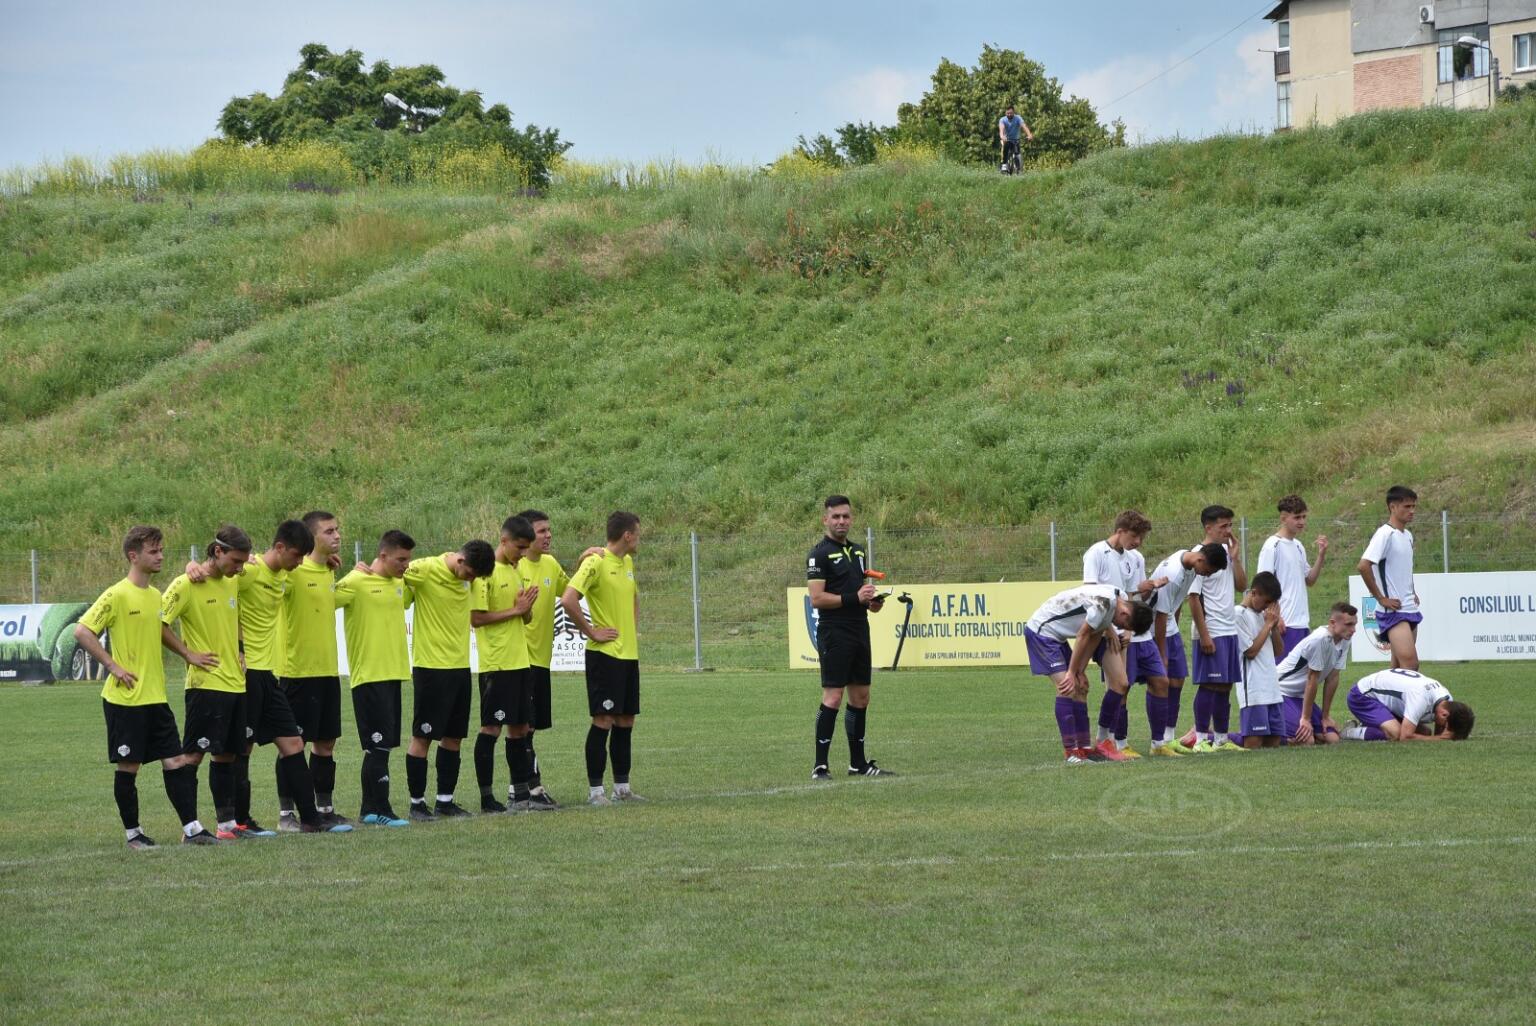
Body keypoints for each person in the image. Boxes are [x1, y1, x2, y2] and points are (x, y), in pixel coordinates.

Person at [74, 526, 217, 847]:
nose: (161, 556)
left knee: (176, 761)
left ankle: (193, 830)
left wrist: (187, 653)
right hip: (125, 700)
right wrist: (112, 666)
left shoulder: (155, 596)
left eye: (161, 550)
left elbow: (161, 630)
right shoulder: (116, 594)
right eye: (154, 551)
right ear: (133, 556)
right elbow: (82, 632)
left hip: (155, 697)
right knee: (130, 765)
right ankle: (133, 834)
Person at [225, 519, 349, 833]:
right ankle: (239, 821)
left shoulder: (283, 574)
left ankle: (310, 819)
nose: (298, 564)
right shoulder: (250, 572)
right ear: (279, 548)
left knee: (293, 742)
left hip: (270, 674)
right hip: (248, 673)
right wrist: (193, 567)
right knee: (244, 748)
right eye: (295, 556)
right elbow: (216, 582)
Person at [160, 525, 253, 840]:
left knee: (226, 755)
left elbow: (236, 617)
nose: (239, 568)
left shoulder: (231, 582)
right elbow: (159, 623)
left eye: (243, 562)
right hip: (206, 685)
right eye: (236, 561)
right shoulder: (186, 583)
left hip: (235, 684)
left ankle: (226, 826)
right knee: (193, 756)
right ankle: (191, 828)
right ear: (217, 552)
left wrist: (240, 650)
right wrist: (188, 653)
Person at [403, 539, 497, 819]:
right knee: (423, 736)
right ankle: (417, 803)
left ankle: (445, 801)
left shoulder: (473, 578)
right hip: (431, 668)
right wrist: (368, 568)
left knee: (454, 737)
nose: (471, 580)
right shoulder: (424, 570)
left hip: (460, 668)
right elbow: (390, 571)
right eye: (470, 574)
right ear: (460, 561)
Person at [335, 530, 417, 827]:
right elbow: (321, 599)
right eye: (400, 559)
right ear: (382, 555)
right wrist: (343, 572)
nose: (406, 564)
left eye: (408, 559)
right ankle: (379, 809)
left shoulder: (399, 583)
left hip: (394, 673)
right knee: (377, 746)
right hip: (369, 676)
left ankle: (370, 810)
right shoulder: (356, 582)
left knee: (382, 746)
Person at [563, 511, 645, 804]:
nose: (640, 539)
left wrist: (631, 630)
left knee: (626, 720)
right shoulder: (595, 561)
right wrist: (591, 631)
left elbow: (634, 597)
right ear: (627, 535)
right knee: (604, 719)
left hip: (627, 656)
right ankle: (596, 791)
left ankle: (622, 788)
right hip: (605, 656)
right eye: (638, 533)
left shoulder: (628, 562)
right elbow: (568, 598)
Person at [805, 495, 889, 781]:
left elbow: (857, 597)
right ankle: (820, 766)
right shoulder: (819, 554)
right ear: (825, 520)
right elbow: (816, 598)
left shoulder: (858, 552)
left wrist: (872, 603)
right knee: (833, 696)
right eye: (836, 517)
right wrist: (854, 597)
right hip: (834, 631)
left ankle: (858, 764)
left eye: (846, 516)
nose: (842, 521)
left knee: (861, 697)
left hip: (859, 629)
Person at [1023, 584, 1155, 764]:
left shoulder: (1118, 599)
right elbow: (1083, 635)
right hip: (1041, 632)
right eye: (1123, 625)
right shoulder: (1104, 606)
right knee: (1067, 688)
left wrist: (1080, 671)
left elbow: (1095, 634)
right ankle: (1070, 752)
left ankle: (1084, 749)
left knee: (1081, 687)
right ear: (1125, 614)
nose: (1118, 628)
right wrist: (1072, 672)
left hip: (1056, 637)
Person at [279, 510, 348, 826]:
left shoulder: (329, 572)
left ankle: (323, 809)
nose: (337, 536)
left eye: (337, 530)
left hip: (328, 672)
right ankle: (287, 814)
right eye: (329, 531)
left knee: (326, 743)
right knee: (293, 746)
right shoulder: (291, 572)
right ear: (311, 538)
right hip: (297, 673)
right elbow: (254, 569)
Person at [471, 516, 540, 813]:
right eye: (519, 547)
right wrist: (516, 610)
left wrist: (525, 610)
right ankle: (487, 798)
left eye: (526, 549)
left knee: (521, 728)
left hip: (519, 662)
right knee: (491, 729)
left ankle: (521, 795)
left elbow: (525, 618)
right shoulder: (485, 574)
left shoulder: (516, 570)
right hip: (496, 665)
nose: (523, 553)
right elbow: (476, 618)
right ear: (504, 540)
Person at [1082, 510, 1159, 757]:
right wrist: (1109, 630)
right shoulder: (1096, 554)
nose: (1138, 542)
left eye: (1141, 538)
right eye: (1135, 535)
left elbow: (1127, 599)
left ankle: (1111, 742)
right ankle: (1107, 742)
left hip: (1120, 631)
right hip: (1101, 630)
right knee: (1115, 685)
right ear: (1120, 531)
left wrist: (1126, 629)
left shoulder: (1130, 557)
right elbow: (1092, 597)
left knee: (1120, 686)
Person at [1143, 542, 1229, 756]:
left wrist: (1175, 627)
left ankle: (1169, 738)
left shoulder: (1191, 565)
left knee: (1178, 679)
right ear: (1201, 559)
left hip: (1169, 626)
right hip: (1151, 628)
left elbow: (1176, 603)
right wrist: (1162, 654)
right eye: (1207, 571)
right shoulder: (1173, 571)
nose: (1207, 576)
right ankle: (1158, 741)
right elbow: (1160, 615)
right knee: (1159, 682)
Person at [515, 509, 572, 809]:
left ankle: (520, 788)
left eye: (549, 530)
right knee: (520, 727)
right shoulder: (515, 566)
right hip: (517, 660)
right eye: (541, 531)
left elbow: (572, 590)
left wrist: (594, 558)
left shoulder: (550, 564)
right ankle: (530, 789)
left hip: (541, 660)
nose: (548, 536)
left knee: (530, 727)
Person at [1185, 505, 1248, 753]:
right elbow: (1193, 598)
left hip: (1228, 629)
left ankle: (1221, 739)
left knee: (1225, 685)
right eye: (1223, 526)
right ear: (1208, 527)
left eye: (1230, 525)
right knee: (1209, 685)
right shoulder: (1199, 556)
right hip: (1210, 630)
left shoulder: (1224, 552)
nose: (1228, 530)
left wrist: (1236, 557)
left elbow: (1242, 586)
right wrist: (1204, 635)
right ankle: (1200, 738)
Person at [1256, 495, 1329, 656]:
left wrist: (1321, 555)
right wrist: (1276, 617)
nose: (1301, 521)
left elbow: (1309, 580)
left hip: (1302, 622)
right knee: (1283, 675)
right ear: (1283, 518)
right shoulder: (1272, 545)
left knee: (1299, 677)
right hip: (1284, 623)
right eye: (1297, 517)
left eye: (1304, 517)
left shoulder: (1298, 546)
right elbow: (1262, 585)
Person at [1358, 485, 1421, 671]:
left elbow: (1403, 568)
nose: (1412, 511)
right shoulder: (1385, 533)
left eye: (1413, 506)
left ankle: (1386, 701)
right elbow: (1363, 565)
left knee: (1397, 668)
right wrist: (1381, 598)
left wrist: (1413, 591)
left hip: (1409, 607)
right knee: (1411, 665)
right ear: (1392, 507)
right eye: (1407, 507)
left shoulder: (1407, 535)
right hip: (1393, 612)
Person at [1276, 602, 1357, 745]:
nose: (1353, 630)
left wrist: (1326, 716)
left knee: (1333, 739)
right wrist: (1305, 719)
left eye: (1354, 625)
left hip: (1299, 697)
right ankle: (1262, 736)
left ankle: (1298, 730)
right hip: (1280, 692)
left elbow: (1333, 678)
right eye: (1349, 624)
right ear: (1332, 623)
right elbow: (1312, 680)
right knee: (1308, 741)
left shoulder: (1345, 640)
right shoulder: (1320, 639)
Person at [1342, 668, 1473, 741]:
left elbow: (1433, 732)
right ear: (1444, 714)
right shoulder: (1420, 699)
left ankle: (1369, 724)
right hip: (1361, 697)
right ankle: (1349, 732)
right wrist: (1439, 739)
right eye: (1445, 727)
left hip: (1384, 700)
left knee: (1425, 733)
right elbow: (1405, 737)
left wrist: (1438, 737)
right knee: (1396, 734)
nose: (1443, 730)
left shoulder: (1447, 699)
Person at [1232, 571, 1284, 749]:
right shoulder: (1238, 614)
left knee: (1273, 742)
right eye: (1266, 602)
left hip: (1272, 689)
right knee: (1253, 743)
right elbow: (1250, 652)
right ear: (1253, 593)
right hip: (1253, 690)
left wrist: (1274, 627)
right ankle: (1213, 737)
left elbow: (1278, 650)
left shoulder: (1264, 616)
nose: (1268, 607)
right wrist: (1268, 624)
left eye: (1272, 603)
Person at [998, 104, 1034, 172]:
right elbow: (1001, 129)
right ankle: (1004, 164)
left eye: (1011, 113)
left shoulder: (1018, 118)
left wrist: (1029, 135)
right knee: (1006, 146)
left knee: (1017, 153)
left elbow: (1024, 126)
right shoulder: (1002, 120)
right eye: (1007, 113)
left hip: (1016, 140)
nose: (1009, 115)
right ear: (1005, 113)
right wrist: (1002, 136)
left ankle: (1018, 169)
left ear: (1013, 112)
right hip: (1006, 139)